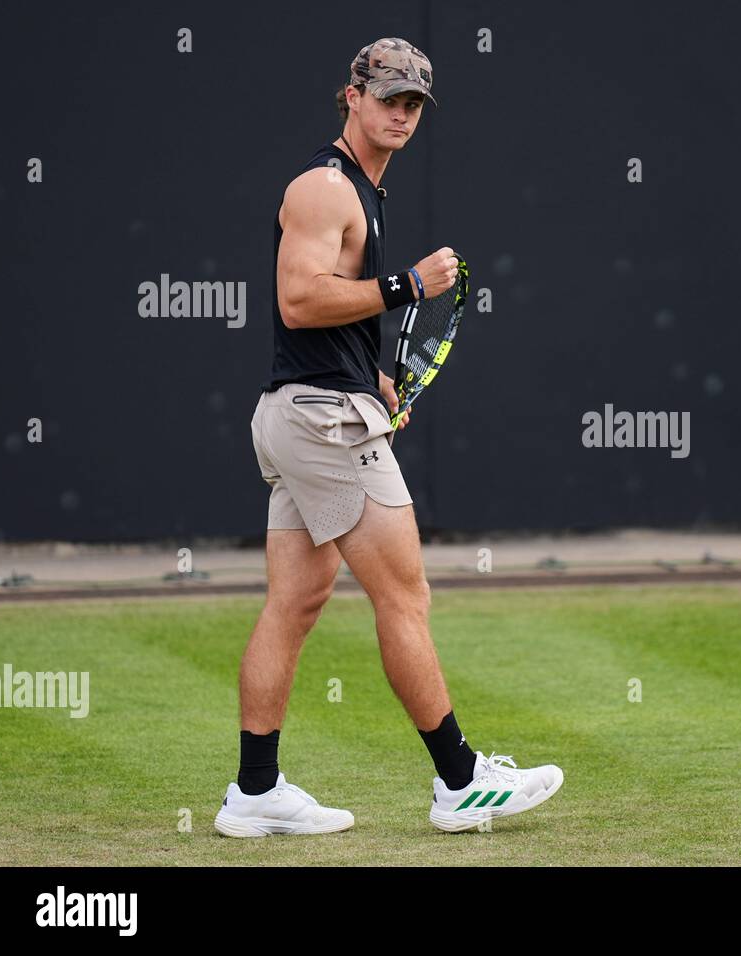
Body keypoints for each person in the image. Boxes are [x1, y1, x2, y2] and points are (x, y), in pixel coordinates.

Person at [215, 38, 563, 836]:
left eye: (413, 103)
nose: (400, 113)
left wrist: (367, 374)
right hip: (322, 425)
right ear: (353, 96)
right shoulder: (323, 188)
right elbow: (300, 300)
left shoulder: (363, 191)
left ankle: (254, 793)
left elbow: (322, 314)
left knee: (295, 602)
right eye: (389, 98)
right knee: (404, 594)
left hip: (308, 411)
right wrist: (406, 285)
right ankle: (459, 779)